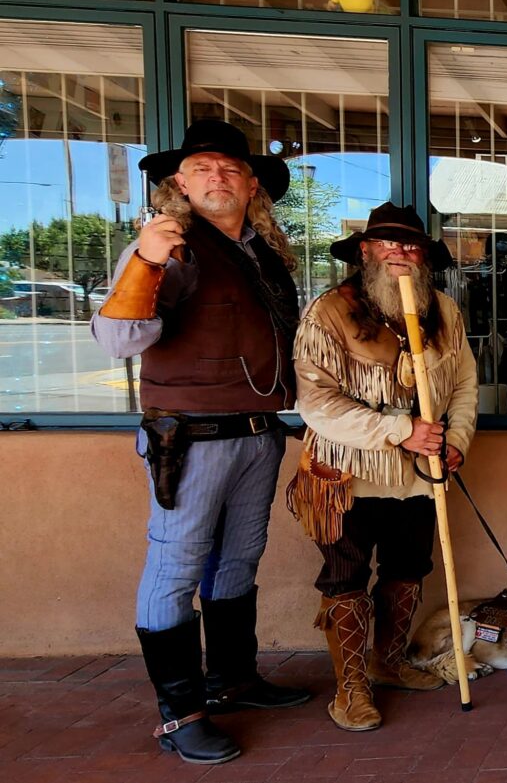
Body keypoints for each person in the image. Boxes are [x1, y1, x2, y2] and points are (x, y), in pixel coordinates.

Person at [91, 119, 309, 765]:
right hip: (189, 440)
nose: (218, 176)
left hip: (257, 433)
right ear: (180, 182)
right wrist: (147, 259)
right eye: (203, 167)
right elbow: (118, 340)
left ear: (251, 186)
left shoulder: (263, 253)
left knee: (239, 560)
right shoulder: (170, 246)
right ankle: (181, 713)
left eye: (231, 167)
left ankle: (232, 677)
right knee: (175, 568)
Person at [289, 202, 478, 731]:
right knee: (346, 577)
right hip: (346, 474)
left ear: (424, 257)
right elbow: (316, 402)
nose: (400, 252)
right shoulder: (329, 311)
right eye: (388, 243)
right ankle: (350, 689)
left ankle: (387, 663)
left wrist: (455, 440)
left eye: (411, 245)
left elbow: (463, 384)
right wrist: (400, 431)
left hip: (418, 477)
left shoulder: (443, 310)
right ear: (366, 250)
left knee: (408, 571)